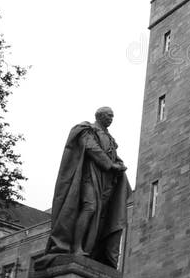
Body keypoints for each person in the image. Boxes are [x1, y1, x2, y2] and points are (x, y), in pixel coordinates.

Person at [42, 107, 129, 268]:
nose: (111, 118)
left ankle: (90, 249)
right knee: (90, 207)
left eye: (112, 116)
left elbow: (113, 155)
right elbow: (92, 148)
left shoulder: (109, 137)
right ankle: (76, 247)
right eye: (109, 115)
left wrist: (119, 163)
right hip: (89, 176)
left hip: (105, 181)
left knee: (101, 216)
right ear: (100, 116)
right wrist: (111, 165)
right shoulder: (86, 129)